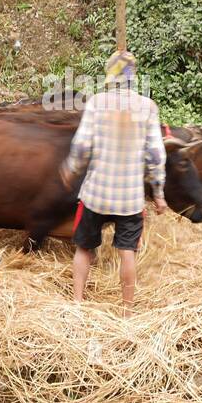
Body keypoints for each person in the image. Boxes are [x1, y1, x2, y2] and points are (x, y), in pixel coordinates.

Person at [59, 50, 167, 308]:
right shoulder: (147, 107)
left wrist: (71, 169)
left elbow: (82, 146)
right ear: (133, 77)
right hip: (130, 199)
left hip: (96, 194)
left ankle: (77, 302)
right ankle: (126, 311)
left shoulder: (97, 103)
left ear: (110, 74)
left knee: (84, 248)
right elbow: (155, 156)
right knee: (127, 251)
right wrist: (159, 193)